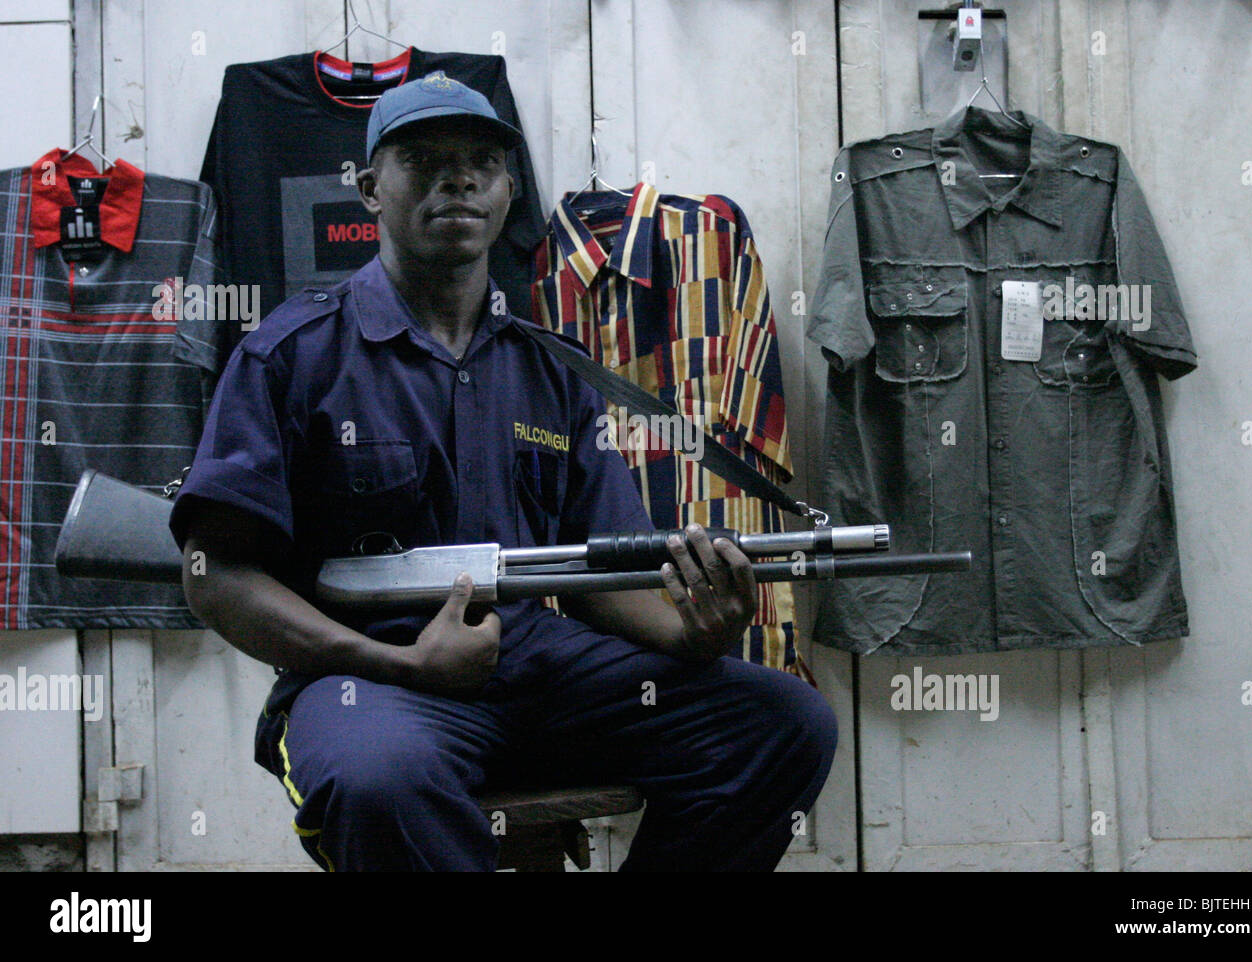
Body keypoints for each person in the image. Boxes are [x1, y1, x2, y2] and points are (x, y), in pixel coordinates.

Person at [169, 72, 837, 871]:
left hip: (539, 665)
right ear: (368, 189)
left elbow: (608, 570)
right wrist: (399, 663)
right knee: (377, 780)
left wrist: (699, 631)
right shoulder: (292, 356)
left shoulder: (551, 369)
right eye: (422, 159)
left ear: (508, 192)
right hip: (371, 677)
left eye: (481, 162)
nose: (457, 177)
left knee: (785, 722)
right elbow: (216, 575)